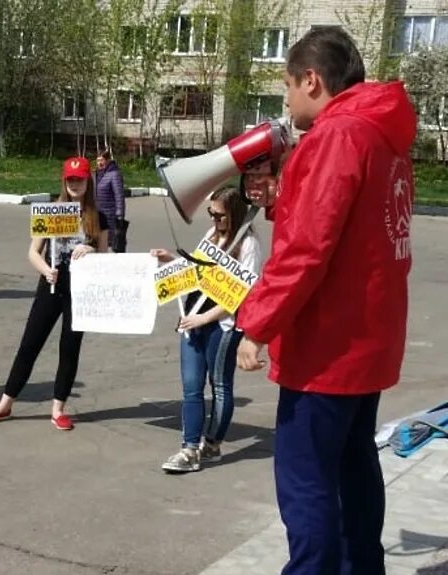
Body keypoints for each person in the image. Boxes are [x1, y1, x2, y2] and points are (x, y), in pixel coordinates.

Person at [235, 27, 416, 575]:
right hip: (367, 343)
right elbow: (350, 233)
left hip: (326, 352)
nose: (286, 102)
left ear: (312, 80)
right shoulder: (381, 132)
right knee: (356, 469)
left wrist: (256, 323)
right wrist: (286, 197)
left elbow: (305, 253)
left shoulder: (336, 137)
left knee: (308, 484)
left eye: (288, 87)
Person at [0, 157, 109, 431]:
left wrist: (94, 251)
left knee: (69, 349)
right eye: (70, 179)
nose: (75, 184)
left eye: (80, 179)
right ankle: (5, 404)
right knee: (29, 345)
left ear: (88, 181)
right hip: (51, 286)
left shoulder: (99, 217)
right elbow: (33, 252)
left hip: (81, 291)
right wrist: (46, 270)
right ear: (64, 181)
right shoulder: (51, 211)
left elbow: (106, 255)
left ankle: (58, 408)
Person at [151, 187, 263, 473]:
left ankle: (211, 444)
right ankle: (189, 448)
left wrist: (205, 319)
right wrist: (170, 261)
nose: (214, 219)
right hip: (193, 320)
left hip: (223, 325)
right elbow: (196, 271)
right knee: (191, 387)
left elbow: (239, 293)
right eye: (211, 213)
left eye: (220, 215)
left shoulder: (248, 244)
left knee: (220, 386)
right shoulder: (212, 236)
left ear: (235, 214)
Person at [94, 149, 126, 252]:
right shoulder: (96, 174)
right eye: (98, 160)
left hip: (110, 216)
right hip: (97, 214)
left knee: (111, 243)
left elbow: (119, 196)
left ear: (108, 160)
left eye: (102, 160)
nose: (99, 163)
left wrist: (120, 216)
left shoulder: (114, 174)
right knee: (98, 242)